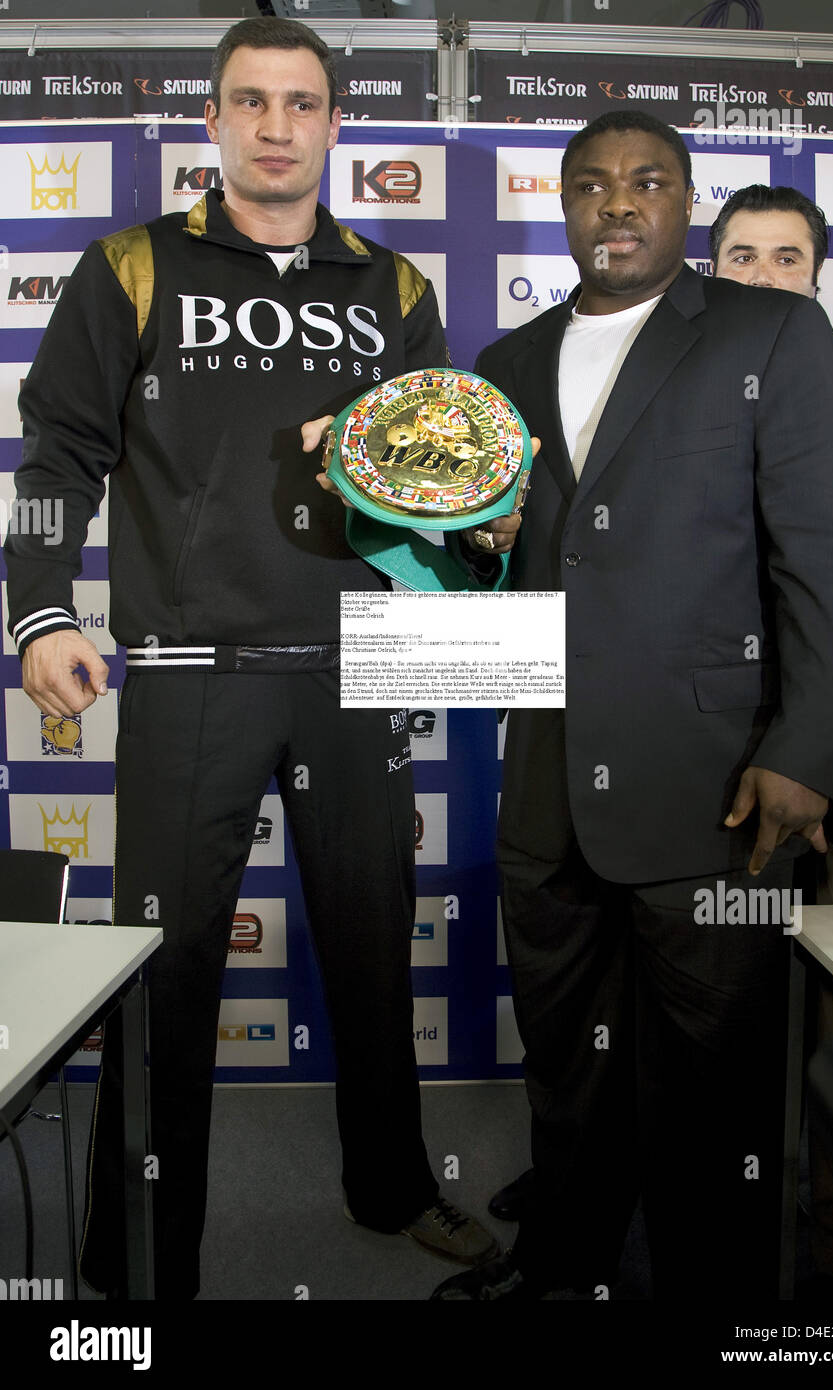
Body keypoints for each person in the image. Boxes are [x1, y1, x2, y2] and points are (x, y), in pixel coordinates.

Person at [4, 15, 496, 1300]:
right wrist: (44, 614)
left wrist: (467, 535)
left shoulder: (394, 290)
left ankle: (392, 1188)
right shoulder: (131, 265)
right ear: (213, 121)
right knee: (163, 973)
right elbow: (56, 459)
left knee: (373, 945)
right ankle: (136, 1253)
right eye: (251, 102)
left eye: (304, 103)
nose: (278, 125)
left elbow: (435, 488)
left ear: (337, 126)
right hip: (184, 674)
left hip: (359, 670)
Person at [430, 111, 833, 1300]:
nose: (616, 203)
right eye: (589, 185)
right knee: (569, 1073)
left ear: (686, 205)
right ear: (562, 205)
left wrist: (807, 753)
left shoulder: (771, 331)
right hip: (547, 800)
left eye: (647, 183)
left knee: (713, 1093)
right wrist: (452, 542)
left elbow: (827, 564)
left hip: (716, 792)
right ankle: (562, 1270)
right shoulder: (506, 366)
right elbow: (502, 586)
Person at [714, 186, 833, 1291]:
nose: (765, 277)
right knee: (702, 1021)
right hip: (692, 778)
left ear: (820, 280)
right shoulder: (650, 416)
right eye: (741, 256)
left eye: (789, 258)